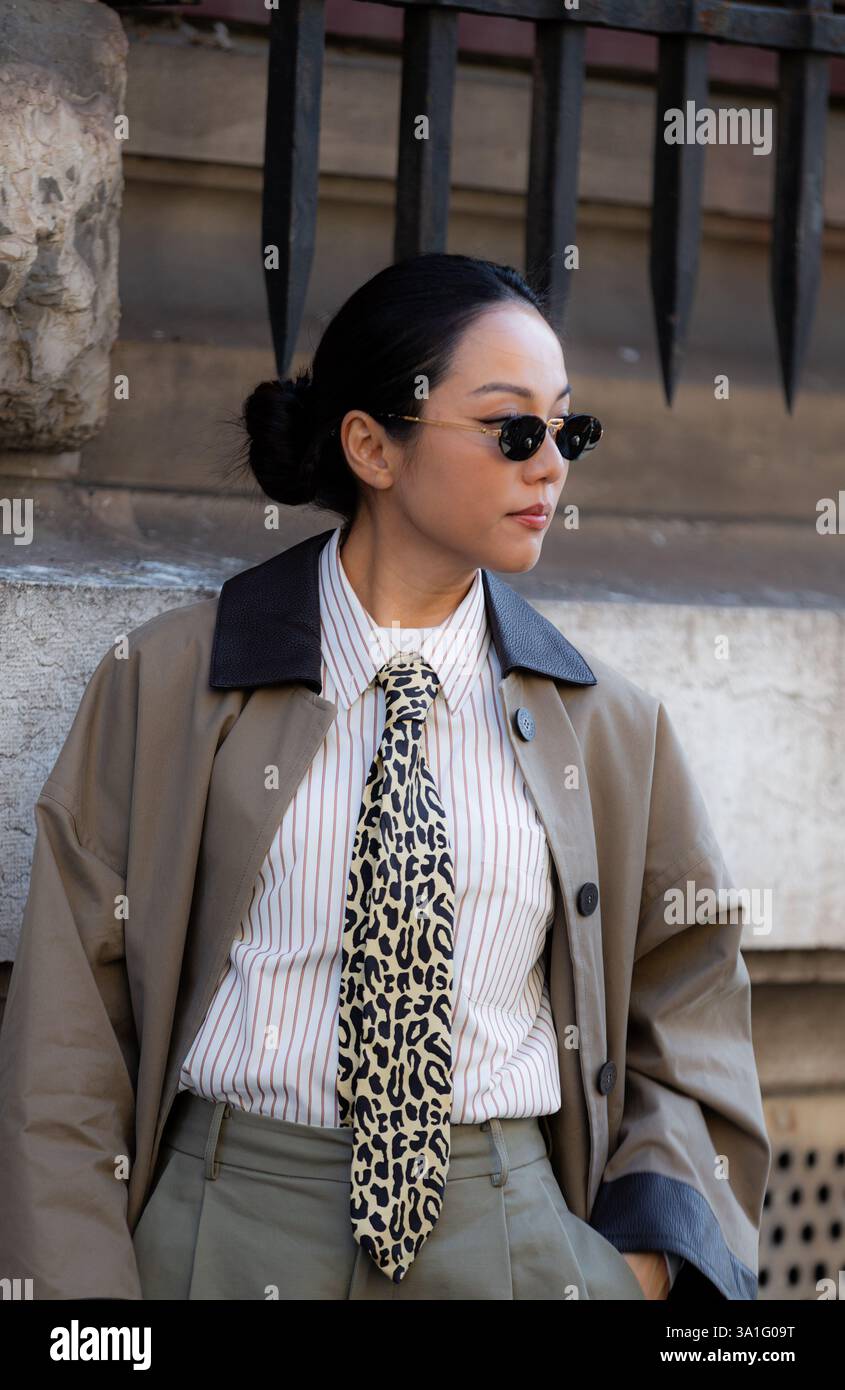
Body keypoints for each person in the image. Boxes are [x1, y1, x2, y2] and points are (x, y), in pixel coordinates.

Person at [0, 252, 771, 1301]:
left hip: (509, 1238)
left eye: (567, 430)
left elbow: (687, 1010)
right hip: (224, 1232)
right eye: (512, 430)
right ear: (370, 444)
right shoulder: (174, 682)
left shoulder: (605, 725)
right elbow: (67, 1039)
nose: (550, 466)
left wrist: (639, 1267)